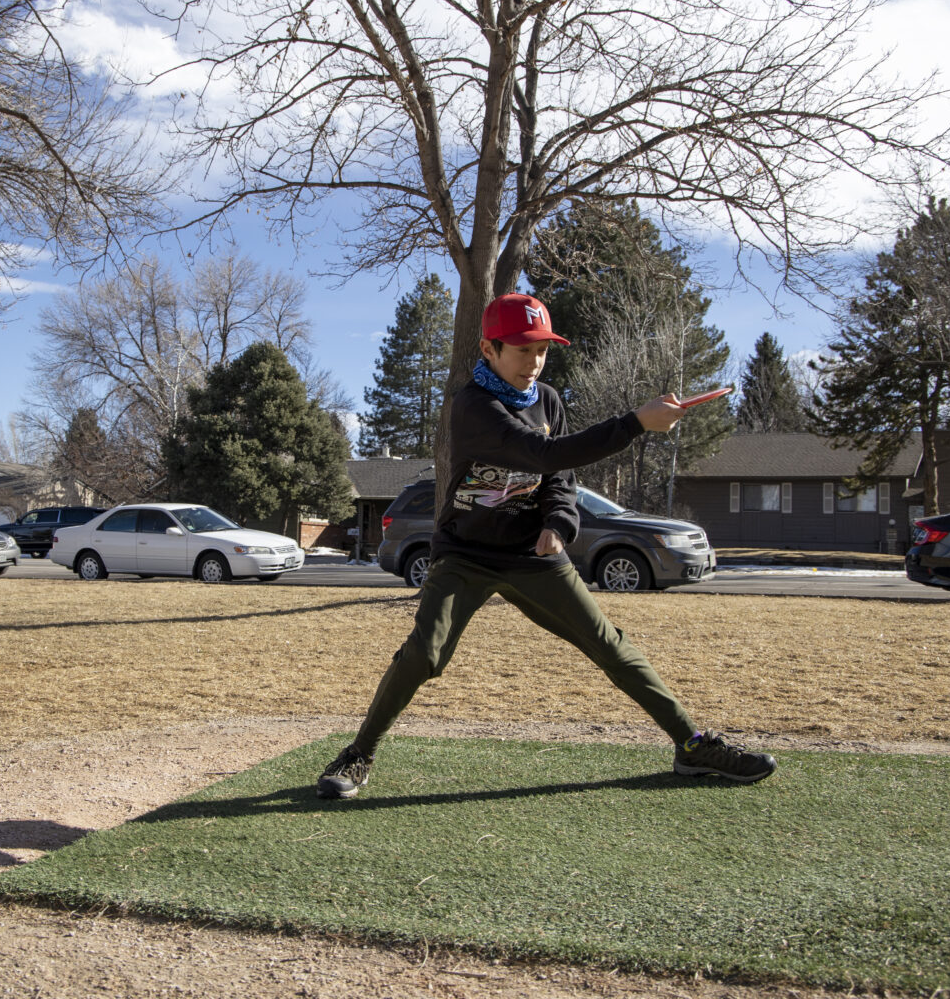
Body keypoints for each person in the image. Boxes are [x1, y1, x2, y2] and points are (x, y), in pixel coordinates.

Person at [317, 292, 775, 799]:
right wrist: (634, 424)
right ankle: (358, 754)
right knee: (424, 654)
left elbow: (558, 474)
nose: (534, 363)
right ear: (489, 349)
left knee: (610, 646)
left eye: (542, 350)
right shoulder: (473, 405)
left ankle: (692, 747)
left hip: (533, 557)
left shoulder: (548, 398)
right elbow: (541, 452)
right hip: (466, 554)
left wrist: (558, 522)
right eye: (521, 350)